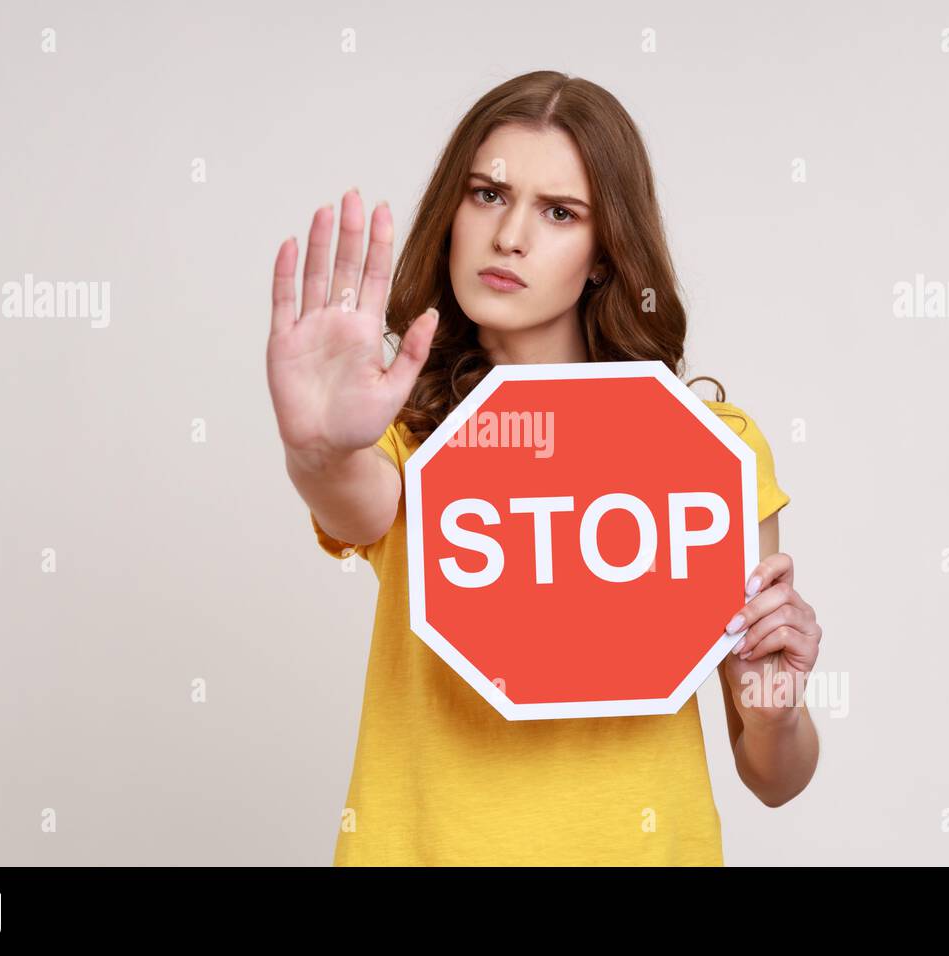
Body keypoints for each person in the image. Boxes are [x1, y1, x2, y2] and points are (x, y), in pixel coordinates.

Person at [266, 70, 823, 866]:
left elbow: (774, 777)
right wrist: (318, 449)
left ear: (604, 254)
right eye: (487, 194)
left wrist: (775, 710)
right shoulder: (406, 435)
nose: (510, 235)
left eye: (560, 212)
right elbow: (352, 500)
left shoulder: (712, 449)